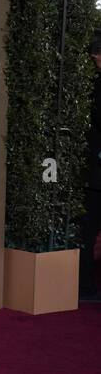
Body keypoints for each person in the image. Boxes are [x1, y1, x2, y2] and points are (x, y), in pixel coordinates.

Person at [79, 30, 101, 303]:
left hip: (94, 172)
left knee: (88, 229)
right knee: (87, 229)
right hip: (95, 172)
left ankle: (85, 286)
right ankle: (84, 286)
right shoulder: (93, 85)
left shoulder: (92, 84)